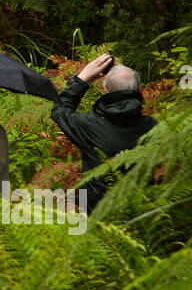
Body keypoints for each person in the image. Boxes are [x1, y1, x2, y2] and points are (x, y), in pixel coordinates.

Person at [50, 53, 156, 208]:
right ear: (140, 90)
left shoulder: (88, 125)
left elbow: (59, 110)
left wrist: (82, 78)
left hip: (95, 213)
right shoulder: (155, 128)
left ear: (106, 89)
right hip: (142, 212)